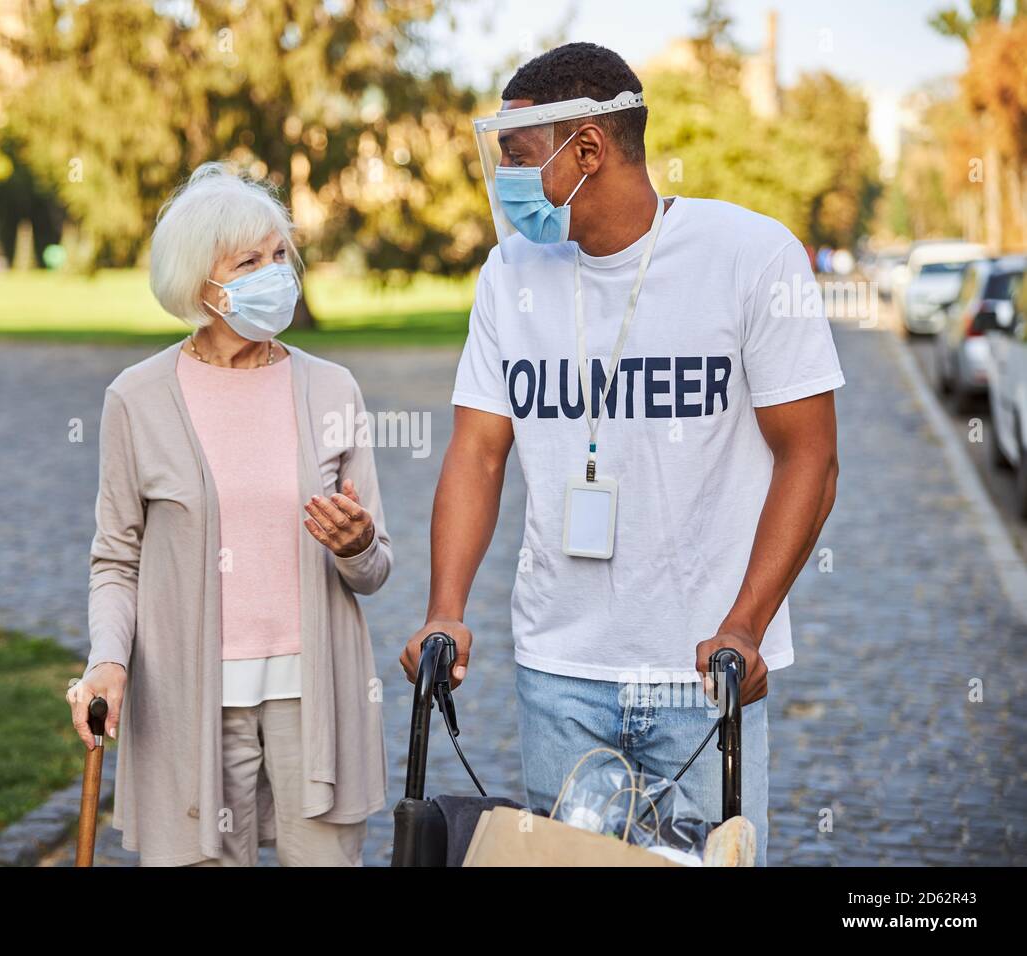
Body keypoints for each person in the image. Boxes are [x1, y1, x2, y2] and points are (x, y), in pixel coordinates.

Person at [400, 43, 842, 865]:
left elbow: (811, 459)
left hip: (704, 674)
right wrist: (445, 607)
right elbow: (477, 453)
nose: (506, 182)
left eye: (520, 158)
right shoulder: (509, 275)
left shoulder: (749, 257)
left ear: (590, 150)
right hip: (559, 669)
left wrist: (745, 624)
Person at [68, 163, 391, 866]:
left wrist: (357, 544)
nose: (275, 272)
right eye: (249, 261)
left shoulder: (331, 388)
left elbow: (375, 569)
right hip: (189, 701)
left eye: (280, 256)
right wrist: (107, 661)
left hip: (317, 697)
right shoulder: (137, 399)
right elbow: (116, 559)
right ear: (200, 284)